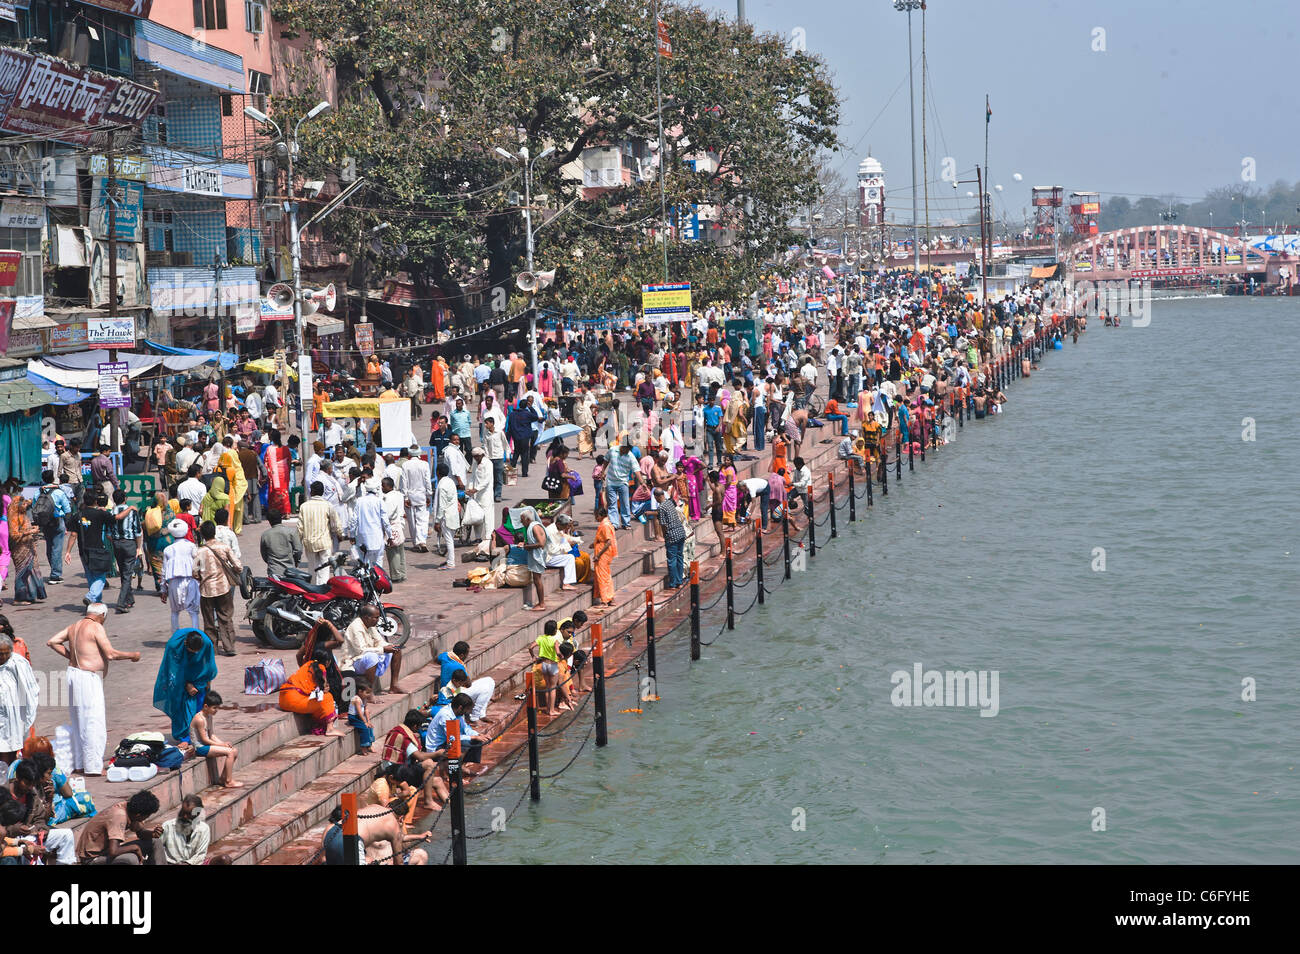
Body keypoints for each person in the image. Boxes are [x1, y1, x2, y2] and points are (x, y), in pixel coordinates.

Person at [46, 604, 141, 777]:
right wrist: (132, 655)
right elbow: (111, 654)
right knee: (93, 722)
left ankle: (81, 763)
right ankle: (94, 767)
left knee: (79, 721)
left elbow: (52, 641)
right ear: (102, 615)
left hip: (73, 674)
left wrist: (72, 656)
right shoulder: (95, 626)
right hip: (87, 678)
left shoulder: (74, 626)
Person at [152, 628, 217, 744]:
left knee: (200, 706)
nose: (195, 654)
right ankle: (185, 737)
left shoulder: (206, 643)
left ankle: (200, 734)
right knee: (180, 706)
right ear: (186, 644)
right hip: (180, 676)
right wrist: (186, 684)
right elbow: (173, 669)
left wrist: (207, 681)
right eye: (193, 651)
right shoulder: (174, 646)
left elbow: (209, 664)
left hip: (199, 675)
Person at [76, 790, 160, 865]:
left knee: (155, 842)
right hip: (93, 858)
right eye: (146, 816)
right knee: (131, 859)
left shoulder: (131, 810)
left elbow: (140, 833)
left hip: (107, 851)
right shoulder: (119, 816)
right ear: (139, 815)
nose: (146, 819)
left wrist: (153, 833)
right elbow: (114, 851)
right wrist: (135, 848)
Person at [340, 604, 404, 695]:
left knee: (396, 650)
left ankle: (394, 685)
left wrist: (390, 646)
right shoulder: (356, 628)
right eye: (376, 618)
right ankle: (369, 692)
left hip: (365, 656)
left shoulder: (370, 624)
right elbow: (361, 651)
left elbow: (379, 641)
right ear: (367, 618)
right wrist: (383, 649)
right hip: (353, 660)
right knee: (372, 657)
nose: (378, 620)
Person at [279, 651, 344, 736]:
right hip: (294, 700)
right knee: (328, 697)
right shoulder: (322, 668)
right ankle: (330, 728)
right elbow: (324, 689)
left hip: (283, 700)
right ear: (328, 662)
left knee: (320, 698)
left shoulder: (307, 664)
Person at [189, 690, 242, 788]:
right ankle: (228, 781)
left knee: (234, 751)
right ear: (205, 706)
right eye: (214, 708)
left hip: (207, 745)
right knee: (230, 753)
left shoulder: (209, 716)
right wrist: (222, 745)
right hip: (200, 748)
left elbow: (211, 735)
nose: (216, 710)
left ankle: (223, 778)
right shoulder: (200, 719)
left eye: (217, 708)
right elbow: (205, 740)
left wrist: (223, 743)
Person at [0, 633, 38, 763]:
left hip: (13, 712)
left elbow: (29, 687)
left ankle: (8, 775)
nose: (3, 656)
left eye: (6, 653)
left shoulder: (18, 663)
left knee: (11, 746)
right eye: (0, 653)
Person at [161, 518, 202, 631]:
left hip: (174, 582)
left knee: (175, 612)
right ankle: (196, 634)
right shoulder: (191, 546)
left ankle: (175, 637)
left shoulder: (168, 550)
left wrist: (163, 589)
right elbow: (198, 563)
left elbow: (164, 571)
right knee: (193, 612)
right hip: (191, 581)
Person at [299, 481, 343, 584]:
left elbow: (300, 528)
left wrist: (298, 543)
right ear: (322, 492)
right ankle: (323, 591)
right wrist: (340, 534)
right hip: (324, 542)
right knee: (324, 568)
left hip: (309, 542)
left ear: (312, 492)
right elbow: (336, 523)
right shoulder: (328, 505)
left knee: (312, 568)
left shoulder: (304, 506)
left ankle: (313, 590)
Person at [107, 489, 142, 614]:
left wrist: (116, 542)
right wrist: (138, 547)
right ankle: (121, 603)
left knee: (123, 572)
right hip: (129, 543)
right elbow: (138, 531)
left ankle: (129, 598)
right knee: (127, 574)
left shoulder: (112, 512)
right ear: (125, 498)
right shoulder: (132, 511)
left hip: (117, 544)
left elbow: (108, 533)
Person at [6, 496, 45, 606]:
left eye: (25, 505)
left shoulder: (23, 514)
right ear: (17, 506)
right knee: (22, 572)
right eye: (23, 505)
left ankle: (30, 595)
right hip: (19, 548)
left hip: (28, 546)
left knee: (30, 571)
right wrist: (29, 532)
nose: (25, 506)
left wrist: (32, 529)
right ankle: (19, 598)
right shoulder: (13, 516)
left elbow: (29, 501)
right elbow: (14, 535)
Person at [399, 446, 432, 552]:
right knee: (422, 519)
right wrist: (429, 495)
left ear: (409, 454)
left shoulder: (405, 465)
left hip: (410, 496)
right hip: (421, 495)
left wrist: (405, 497)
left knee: (412, 521)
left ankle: (415, 543)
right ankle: (422, 541)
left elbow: (404, 482)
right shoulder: (425, 464)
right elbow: (428, 481)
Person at [159, 795, 209, 865]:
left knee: (224, 859)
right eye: (183, 812)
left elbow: (201, 854)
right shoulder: (168, 826)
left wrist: (187, 863)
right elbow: (157, 848)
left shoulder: (204, 829)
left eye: (189, 814)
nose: (185, 816)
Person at [654, 488, 687, 589]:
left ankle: (673, 583)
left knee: (672, 559)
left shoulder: (661, 507)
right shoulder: (669, 502)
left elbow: (663, 525)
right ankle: (679, 581)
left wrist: (665, 537)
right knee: (679, 557)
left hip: (672, 535)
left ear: (656, 497)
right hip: (681, 532)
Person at [431, 461, 460, 570]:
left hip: (446, 516)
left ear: (437, 473)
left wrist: (437, 520)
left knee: (448, 539)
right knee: (450, 538)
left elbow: (441, 505)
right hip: (453, 514)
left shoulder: (442, 485)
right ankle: (449, 560)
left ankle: (451, 563)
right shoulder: (450, 481)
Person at [518, 506, 548, 611]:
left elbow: (541, 543)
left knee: (537, 579)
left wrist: (527, 547)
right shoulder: (532, 526)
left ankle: (541, 604)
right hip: (536, 555)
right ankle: (541, 603)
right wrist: (526, 544)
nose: (522, 523)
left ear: (527, 519)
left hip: (538, 556)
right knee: (536, 579)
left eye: (522, 520)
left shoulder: (534, 527)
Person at [259, 507, 302, 578]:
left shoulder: (265, 535)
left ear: (269, 521)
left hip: (274, 572)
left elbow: (264, 555)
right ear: (281, 518)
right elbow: (298, 550)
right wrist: (296, 561)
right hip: (291, 571)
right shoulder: (292, 532)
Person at [591, 502, 617, 606]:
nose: (596, 518)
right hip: (603, 551)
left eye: (596, 516)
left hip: (603, 554)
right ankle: (607, 597)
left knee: (603, 576)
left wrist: (598, 555)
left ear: (601, 515)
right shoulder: (606, 523)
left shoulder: (605, 525)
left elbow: (608, 541)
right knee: (603, 575)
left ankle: (606, 599)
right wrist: (593, 544)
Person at [348, 683, 376, 753]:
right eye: (367, 693)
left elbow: (366, 710)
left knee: (370, 727)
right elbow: (360, 713)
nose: (368, 695)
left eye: (369, 693)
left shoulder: (364, 699)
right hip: (354, 717)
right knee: (364, 728)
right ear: (360, 691)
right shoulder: (356, 699)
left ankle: (370, 745)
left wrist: (368, 721)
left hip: (360, 717)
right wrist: (365, 722)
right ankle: (364, 747)